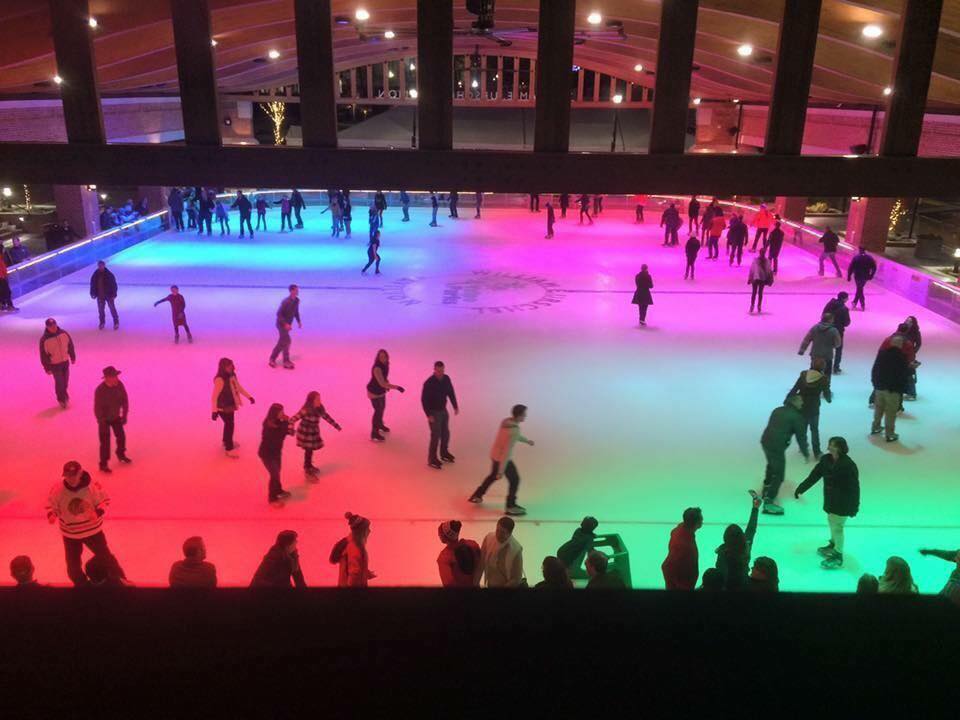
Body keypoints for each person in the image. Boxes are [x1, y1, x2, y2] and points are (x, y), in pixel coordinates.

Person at [46, 460, 126, 587]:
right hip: (70, 534)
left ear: (80, 473)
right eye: (67, 476)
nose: (70, 479)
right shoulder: (57, 489)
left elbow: (105, 500)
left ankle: (121, 582)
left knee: (106, 558)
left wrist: (98, 512)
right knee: (73, 567)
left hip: (93, 531)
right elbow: (51, 505)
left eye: (73, 475)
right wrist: (52, 514)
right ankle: (82, 587)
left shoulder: (93, 486)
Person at [795, 436, 859, 570]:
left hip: (843, 503)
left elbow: (854, 487)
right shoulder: (826, 460)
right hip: (831, 501)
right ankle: (833, 544)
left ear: (840, 448)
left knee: (838, 527)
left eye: (832, 445)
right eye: (830, 444)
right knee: (831, 522)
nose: (829, 447)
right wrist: (802, 488)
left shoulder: (848, 465)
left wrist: (854, 506)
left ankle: (838, 554)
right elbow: (814, 476)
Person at [469, 404, 534, 516]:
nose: (525, 416)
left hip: (495, 455)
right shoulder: (514, 431)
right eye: (524, 414)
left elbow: (514, 437)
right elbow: (506, 452)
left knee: (492, 476)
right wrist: (501, 471)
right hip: (502, 459)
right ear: (518, 416)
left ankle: (477, 495)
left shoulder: (506, 422)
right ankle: (510, 506)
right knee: (515, 480)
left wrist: (526, 441)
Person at [759, 396, 809, 515]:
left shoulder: (777, 410)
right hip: (777, 446)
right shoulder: (797, 417)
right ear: (795, 402)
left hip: (766, 441)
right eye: (800, 401)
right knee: (779, 474)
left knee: (771, 464)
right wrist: (805, 452)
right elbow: (801, 437)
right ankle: (768, 501)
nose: (802, 403)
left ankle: (766, 486)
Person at [716, 491, 762, 590]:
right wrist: (755, 509)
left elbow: (720, 572)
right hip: (743, 585)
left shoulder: (723, 552)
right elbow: (751, 530)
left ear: (725, 538)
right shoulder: (746, 546)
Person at [290, 391, 341, 476]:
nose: (319, 401)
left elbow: (326, 417)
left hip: (313, 432)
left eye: (319, 399)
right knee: (308, 450)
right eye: (317, 399)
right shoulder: (306, 410)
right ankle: (307, 467)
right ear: (311, 400)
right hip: (305, 432)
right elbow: (293, 419)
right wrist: (290, 428)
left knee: (310, 450)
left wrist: (335, 425)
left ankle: (309, 465)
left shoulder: (319, 408)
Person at [211, 357, 255, 457]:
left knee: (229, 424)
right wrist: (214, 411)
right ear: (223, 367)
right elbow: (214, 397)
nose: (231, 368)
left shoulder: (232, 376)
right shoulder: (220, 380)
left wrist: (249, 397)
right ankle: (229, 448)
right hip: (222, 407)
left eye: (231, 365)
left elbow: (238, 387)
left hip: (230, 405)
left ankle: (226, 441)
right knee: (230, 425)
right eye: (228, 366)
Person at [871, 335, 910, 442]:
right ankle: (890, 434)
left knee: (878, 409)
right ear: (901, 345)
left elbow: (875, 369)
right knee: (890, 413)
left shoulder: (882, 354)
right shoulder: (902, 357)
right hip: (893, 390)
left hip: (880, 387)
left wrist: (875, 384)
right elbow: (903, 375)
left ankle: (876, 427)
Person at [421, 361, 459, 470]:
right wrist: (428, 414)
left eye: (442, 370)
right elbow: (424, 400)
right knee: (435, 435)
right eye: (438, 371)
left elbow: (451, 392)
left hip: (443, 410)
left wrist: (455, 405)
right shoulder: (429, 383)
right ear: (434, 370)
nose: (440, 373)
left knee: (445, 433)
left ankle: (444, 452)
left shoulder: (446, 379)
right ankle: (432, 458)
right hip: (433, 412)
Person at [94, 366, 131, 473]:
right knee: (105, 442)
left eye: (116, 376)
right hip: (104, 420)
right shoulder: (100, 390)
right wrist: (101, 421)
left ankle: (121, 454)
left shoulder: (119, 385)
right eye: (114, 377)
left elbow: (125, 401)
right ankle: (103, 464)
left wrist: (124, 415)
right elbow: (97, 407)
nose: (116, 378)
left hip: (115, 417)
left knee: (121, 437)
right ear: (107, 378)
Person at [259, 403, 295, 504]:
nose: (283, 414)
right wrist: (286, 423)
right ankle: (272, 498)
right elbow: (278, 434)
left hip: (276, 453)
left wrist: (289, 426)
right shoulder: (269, 424)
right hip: (267, 454)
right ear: (274, 413)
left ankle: (278, 490)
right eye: (281, 412)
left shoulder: (279, 422)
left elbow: (289, 432)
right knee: (274, 474)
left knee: (277, 473)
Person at [367, 348, 404, 442]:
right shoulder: (377, 368)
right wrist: (397, 387)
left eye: (384, 356)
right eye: (381, 357)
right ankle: (374, 433)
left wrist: (387, 384)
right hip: (374, 392)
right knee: (378, 411)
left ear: (387, 357)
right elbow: (381, 383)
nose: (383, 358)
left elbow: (384, 379)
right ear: (378, 358)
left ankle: (380, 425)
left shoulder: (386, 365)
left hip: (381, 392)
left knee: (382, 408)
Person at [662, 507, 702, 590]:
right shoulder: (684, 545)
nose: (703, 520)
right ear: (696, 523)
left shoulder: (681, 530)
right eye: (701, 519)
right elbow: (666, 566)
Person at [331, 512, 376, 587]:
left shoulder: (353, 545)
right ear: (362, 531)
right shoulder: (353, 546)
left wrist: (365, 573)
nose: (369, 531)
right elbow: (354, 573)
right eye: (367, 528)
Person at [39, 317, 76, 409]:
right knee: (59, 383)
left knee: (65, 382)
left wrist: (72, 356)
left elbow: (70, 345)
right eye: (50, 326)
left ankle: (64, 394)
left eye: (54, 325)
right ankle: (61, 399)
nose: (53, 327)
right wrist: (47, 368)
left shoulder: (63, 333)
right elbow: (43, 355)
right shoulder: (44, 340)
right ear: (47, 327)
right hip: (55, 365)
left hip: (65, 362)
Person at [480, 516, 524, 588]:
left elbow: (516, 578)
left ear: (510, 533)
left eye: (502, 532)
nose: (498, 535)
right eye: (497, 530)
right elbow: (481, 563)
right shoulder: (488, 539)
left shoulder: (516, 550)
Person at [437, 520, 482, 588]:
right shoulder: (473, 545)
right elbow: (480, 566)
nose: (438, 535)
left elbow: (448, 584)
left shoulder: (444, 558)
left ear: (444, 536)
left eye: (440, 533)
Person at [799, 312, 842, 378]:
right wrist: (832, 345)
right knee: (827, 374)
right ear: (830, 320)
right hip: (827, 355)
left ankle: (811, 385)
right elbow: (838, 344)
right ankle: (825, 387)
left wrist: (802, 350)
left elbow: (806, 340)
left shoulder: (815, 328)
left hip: (815, 354)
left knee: (813, 372)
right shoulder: (834, 331)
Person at [269, 284, 301, 370]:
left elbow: (296, 312)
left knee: (283, 342)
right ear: (291, 291)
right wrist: (285, 324)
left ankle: (277, 359)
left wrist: (299, 321)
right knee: (287, 341)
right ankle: (282, 360)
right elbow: (278, 314)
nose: (298, 291)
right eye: (296, 290)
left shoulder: (297, 301)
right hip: (281, 324)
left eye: (298, 290)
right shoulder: (286, 301)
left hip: (288, 325)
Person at [822, 292, 851, 374]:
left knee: (827, 348)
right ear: (844, 298)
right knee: (838, 349)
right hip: (839, 331)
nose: (848, 299)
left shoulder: (829, 304)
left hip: (827, 329)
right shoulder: (844, 309)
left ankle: (824, 366)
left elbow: (823, 315)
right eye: (847, 298)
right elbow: (847, 322)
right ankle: (836, 367)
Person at [89, 260, 119, 330]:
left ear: (104, 266)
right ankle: (102, 323)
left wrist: (114, 294)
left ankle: (116, 322)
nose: (100, 267)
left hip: (109, 295)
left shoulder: (109, 274)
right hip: (100, 295)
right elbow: (92, 285)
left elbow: (114, 285)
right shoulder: (95, 275)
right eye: (99, 266)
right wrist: (92, 293)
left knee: (112, 309)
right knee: (101, 310)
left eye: (101, 266)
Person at [747, 249, 773, 314]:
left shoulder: (765, 261)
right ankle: (754, 305)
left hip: (760, 278)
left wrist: (770, 279)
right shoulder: (759, 261)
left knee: (758, 292)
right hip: (757, 278)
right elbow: (752, 270)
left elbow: (769, 271)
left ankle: (757, 305)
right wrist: (750, 278)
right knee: (756, 292)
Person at [903, 315, 922, 400]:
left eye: (910, 321)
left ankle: (912, 393)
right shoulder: (902, 329)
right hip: (901, 355)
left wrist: (913, 352)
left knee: (909, 374)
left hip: (909, 356)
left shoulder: (916, 332)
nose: (908, 322)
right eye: (907, 320)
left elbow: (918, 344)